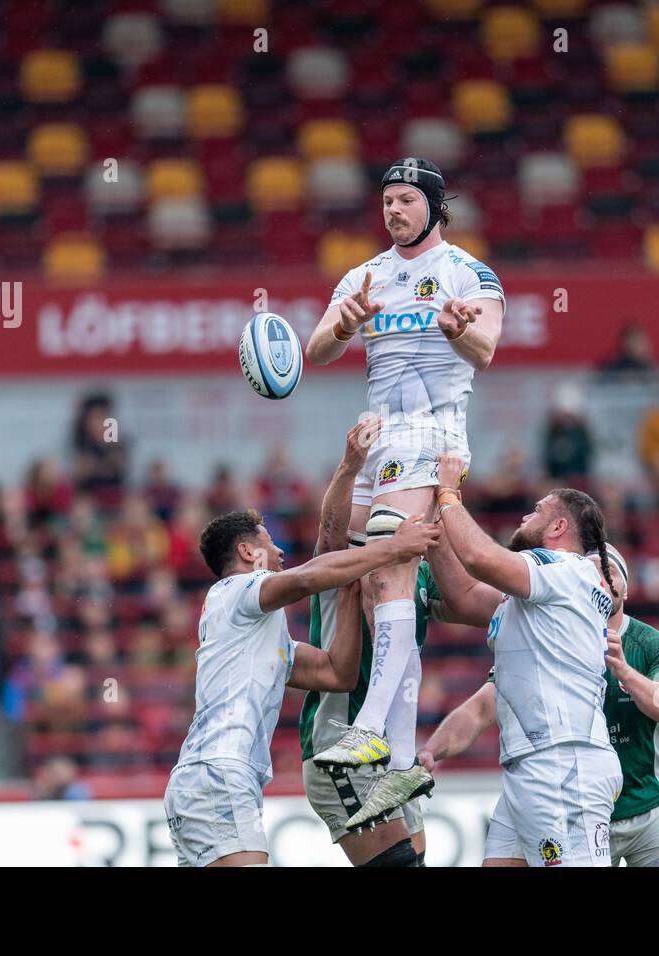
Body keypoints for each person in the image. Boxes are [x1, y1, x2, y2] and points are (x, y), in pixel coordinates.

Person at [303, 157, 506, 810]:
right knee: (369, 580)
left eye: (406, 200)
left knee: (388, 556)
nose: (394, 209)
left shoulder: (467, 273)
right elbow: (315, 352)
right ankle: (398, 758)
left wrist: (461, 329)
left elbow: (487, 350)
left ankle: (367, 732)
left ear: (434, 208)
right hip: (378, 436)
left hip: (431, 436)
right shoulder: (366, 276)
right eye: (387, 199)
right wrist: (344, 323)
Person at [162, 444, 440, 867]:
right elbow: (308, 577)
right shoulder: (234, 591)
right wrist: (392, 549)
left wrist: (350, 586)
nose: (280, 554)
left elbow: (337, 672)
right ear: (247, 553)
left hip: (212, 777)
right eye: (270, 544)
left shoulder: (259, 638)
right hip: (219, 772)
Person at [382, 456, 620, 865]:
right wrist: (435, 525)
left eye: (538, 510)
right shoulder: (541, 597)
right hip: (534, 764)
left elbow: (479, 559)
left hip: (562, 763)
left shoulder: (563, 568)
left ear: (559, 527)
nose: (527, 515)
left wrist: (448, 491)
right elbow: (463, 594)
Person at [419, 543, 659, 866]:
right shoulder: (544, 643)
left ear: (626, 588)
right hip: (566, 803)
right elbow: (481, 709)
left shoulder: (653, 646)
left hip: (647, 808)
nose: (600, 578)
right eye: (589, 571)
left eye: (609, 571)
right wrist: (431, 751)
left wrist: (623, 670)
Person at [300, 420, 475, 864]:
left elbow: (470, 602)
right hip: (340, 749)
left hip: (395, 764)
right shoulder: (343, 563)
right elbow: (328, 533)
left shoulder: (418, 576)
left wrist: (444, 507)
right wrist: (349, 466)